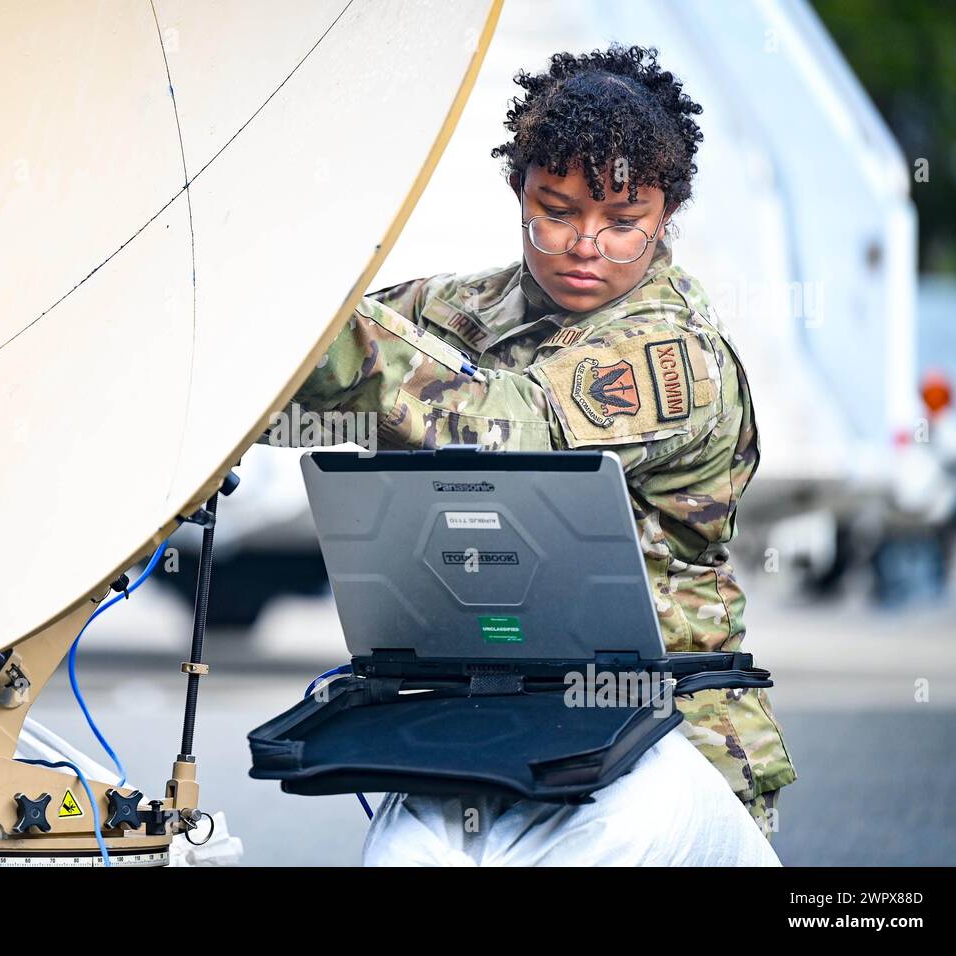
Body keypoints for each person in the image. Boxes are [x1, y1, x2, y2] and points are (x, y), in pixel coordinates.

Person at [270, 44, 795, 837]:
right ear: (519, 191)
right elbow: (287, 388)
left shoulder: (672, 354)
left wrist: (341, 346)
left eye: (624, 222)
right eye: (558, 211)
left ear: (666, 216)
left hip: (665, 735)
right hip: (499, 721)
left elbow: (519, 430)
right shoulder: (469, 306)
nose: (587, 245)